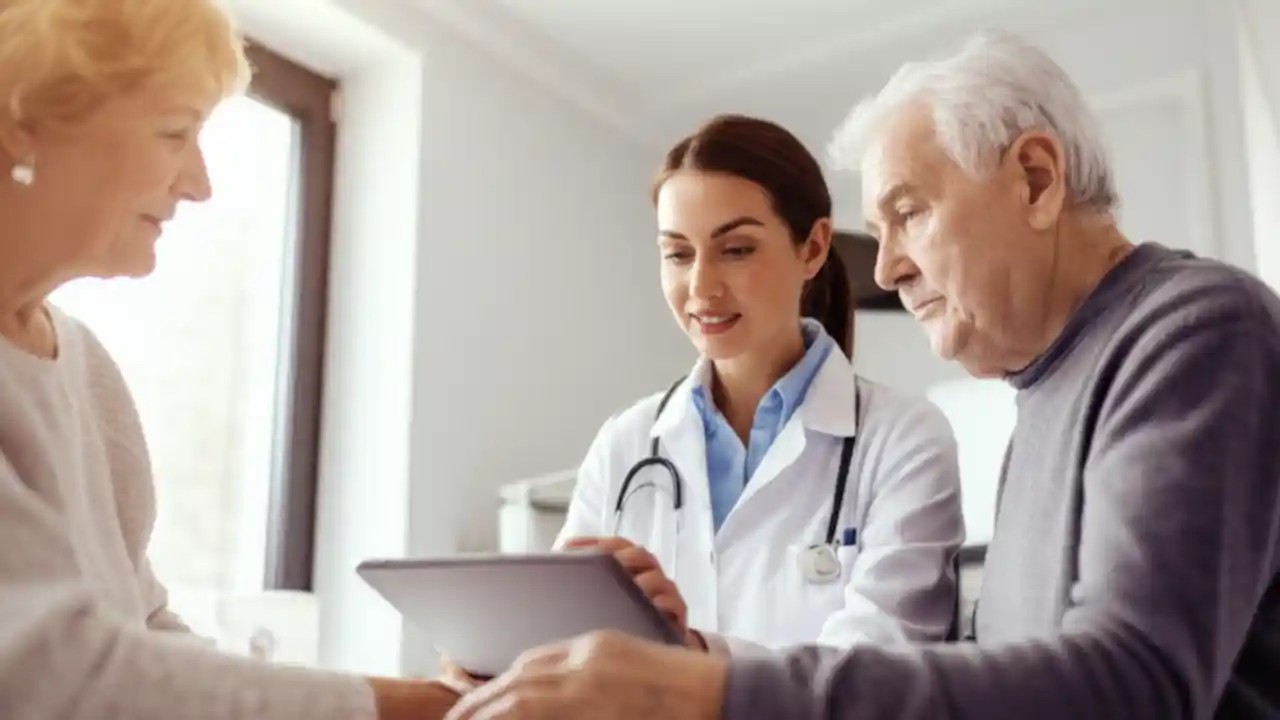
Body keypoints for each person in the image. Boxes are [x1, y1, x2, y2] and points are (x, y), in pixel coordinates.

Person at [442, 32, 1280, 720]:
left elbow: (1136, 684)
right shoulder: (1046, 393)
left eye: (909, 212)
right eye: (877, 228)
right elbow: (1003, 676)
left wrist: (703, 687)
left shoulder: (1193, 331)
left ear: (1035, 179)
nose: (886, 268)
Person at [0, 1, 459, 717]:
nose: (200, 182)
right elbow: (59, 675)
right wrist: (437, 710)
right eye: (175, 132)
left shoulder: (85, 369)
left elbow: (143, 627)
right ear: (19, 120)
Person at [554, 115, 964, 655]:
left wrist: (693, 658)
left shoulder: (904, 438)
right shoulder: (624, 444)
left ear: (812, 248)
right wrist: (489, 653)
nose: (701, 286)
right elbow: (556, 639)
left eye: (737, 249)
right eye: (678, 253)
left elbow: (876, 670)